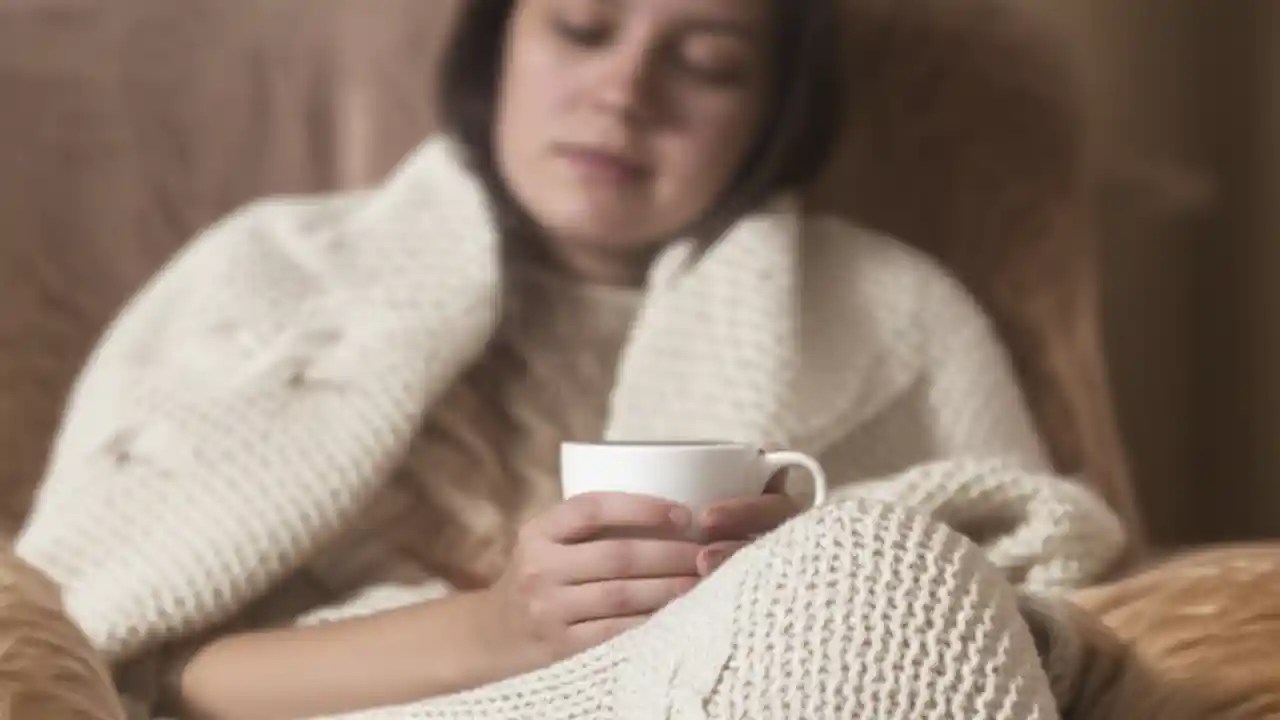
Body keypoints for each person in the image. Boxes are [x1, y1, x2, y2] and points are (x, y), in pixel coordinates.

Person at [13, 0, 1125, 718]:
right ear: (498, 49)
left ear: (771, 116)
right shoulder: (268, 275)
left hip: (780, 687)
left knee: (867, 565)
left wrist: (781, 588)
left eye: (706, 65)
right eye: (583, 30)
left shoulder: (891, 307)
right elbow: (121, 665)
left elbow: (1055, 621)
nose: (623, 93)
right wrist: (497, 632)